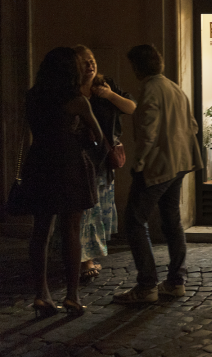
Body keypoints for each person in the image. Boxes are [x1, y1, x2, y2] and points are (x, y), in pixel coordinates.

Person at [114, 44, 204, 304]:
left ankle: (147, 284)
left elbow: (148, 132)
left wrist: (139, 161)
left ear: (137, 67)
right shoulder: (174, 87)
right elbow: (193, 125)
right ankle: (176, 281)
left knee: (134, 221)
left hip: (159, 166)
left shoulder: (150, 90)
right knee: (171, 220)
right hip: (180, 163)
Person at [22, 47, 104, 317]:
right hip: (69, 165)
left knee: (41, 231)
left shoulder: (33, 96)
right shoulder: (76, 100)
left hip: (40, 162)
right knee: (71, 231)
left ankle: (41, 294)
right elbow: (98, 137)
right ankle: (72, 296)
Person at [73, 45, 136, 281]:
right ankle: (83, 259)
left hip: (104, 160)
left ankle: (85, 254)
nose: (90, 65)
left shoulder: (105, 85)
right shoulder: (69, 91)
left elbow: (131, 107)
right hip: (80, 159)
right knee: (86, 209)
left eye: (92, 60)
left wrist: (109, 95)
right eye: (84, 62)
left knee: (97, 210)